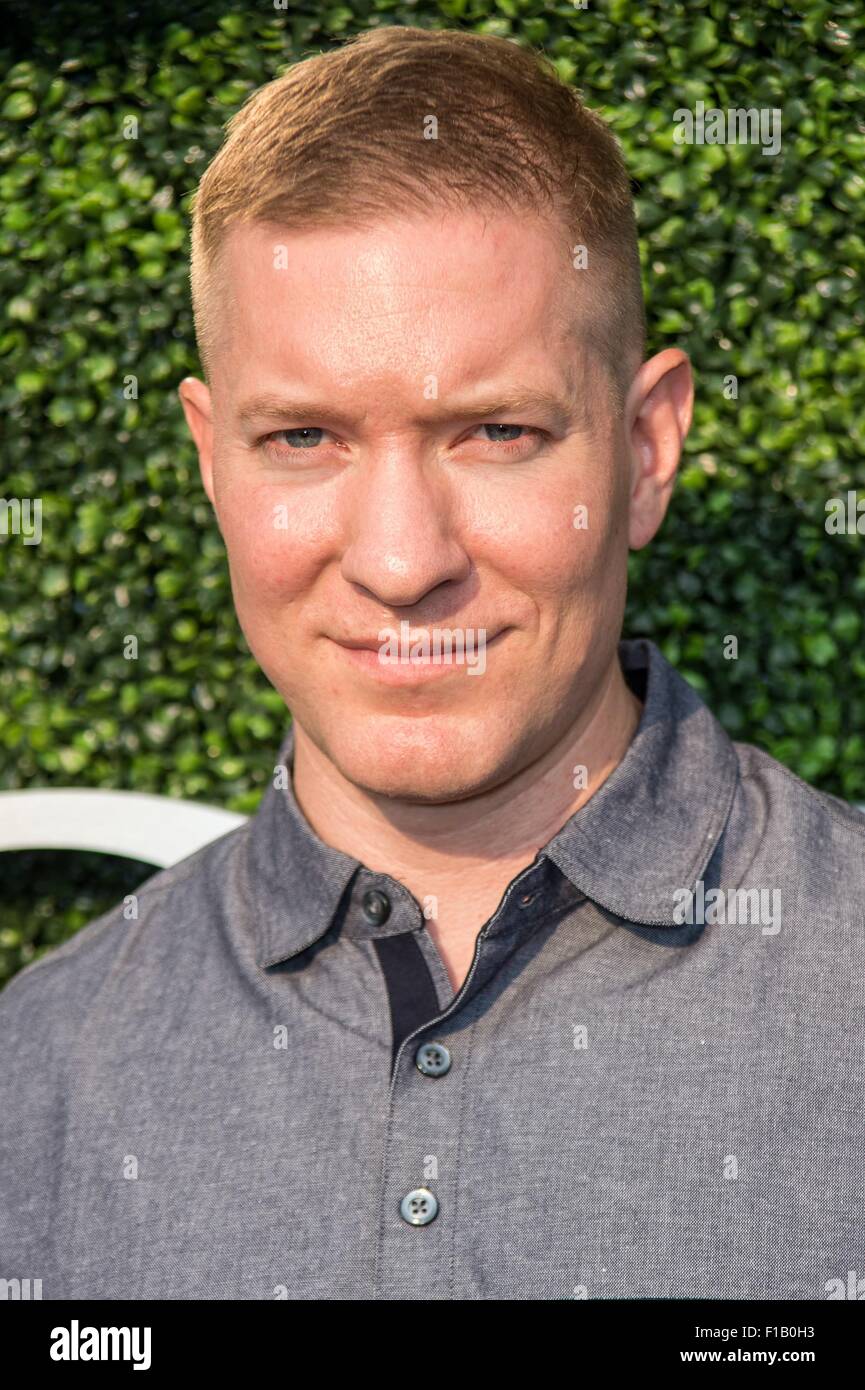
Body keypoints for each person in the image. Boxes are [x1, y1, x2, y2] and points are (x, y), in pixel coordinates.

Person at [1, 25, 862, 1302]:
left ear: (643, 451)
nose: (402, 563)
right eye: (301, 437)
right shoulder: (37, 1074)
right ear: (208, 461)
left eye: (495, 431)